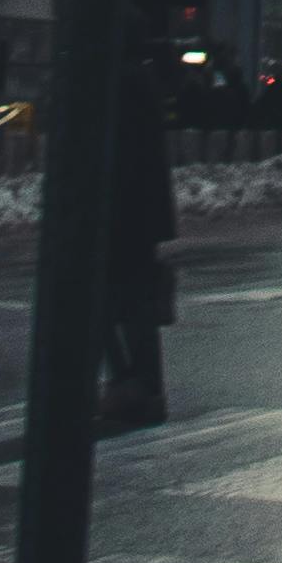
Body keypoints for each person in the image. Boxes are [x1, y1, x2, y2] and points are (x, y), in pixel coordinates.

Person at [99, 38, 179, 429]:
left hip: (120, 214)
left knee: (105, 306)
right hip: (139, 216)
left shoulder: (120, 82)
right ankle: (142, 387)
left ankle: (130, 384)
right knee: (135, 309)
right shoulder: (141, 78)